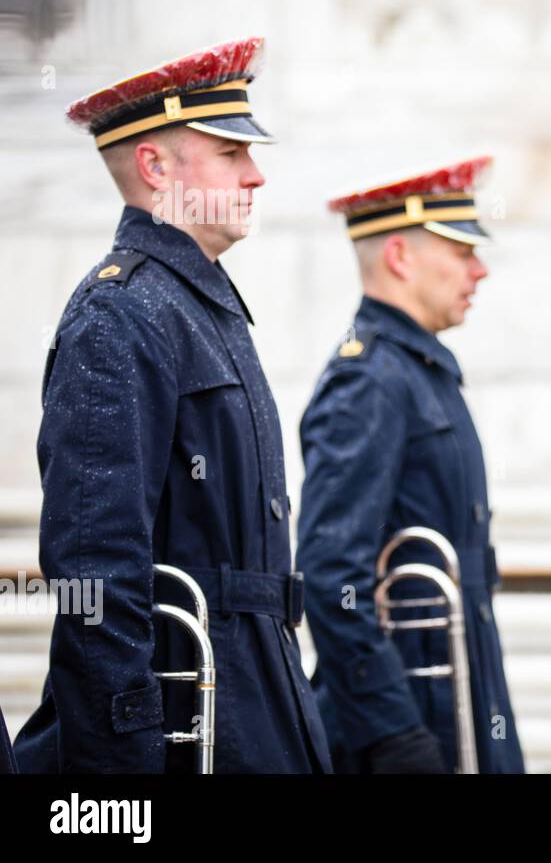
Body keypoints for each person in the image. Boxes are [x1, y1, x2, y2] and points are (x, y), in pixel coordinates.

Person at [14, 37, 332, 773]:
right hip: (193, 733)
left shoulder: (194, 306)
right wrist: (125, 765)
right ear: (156, 167)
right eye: (229, 154)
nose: (256, 176)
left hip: (258, 705)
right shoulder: (118, 315)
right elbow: (93, 567)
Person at [297, 158, 524, 773]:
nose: (480, 268)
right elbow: (329, 574)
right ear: (400, 256)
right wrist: (391, 730)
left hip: (453, 682)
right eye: (460, 250)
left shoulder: (415, 368)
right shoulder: (370, 379)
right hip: (411, 702)